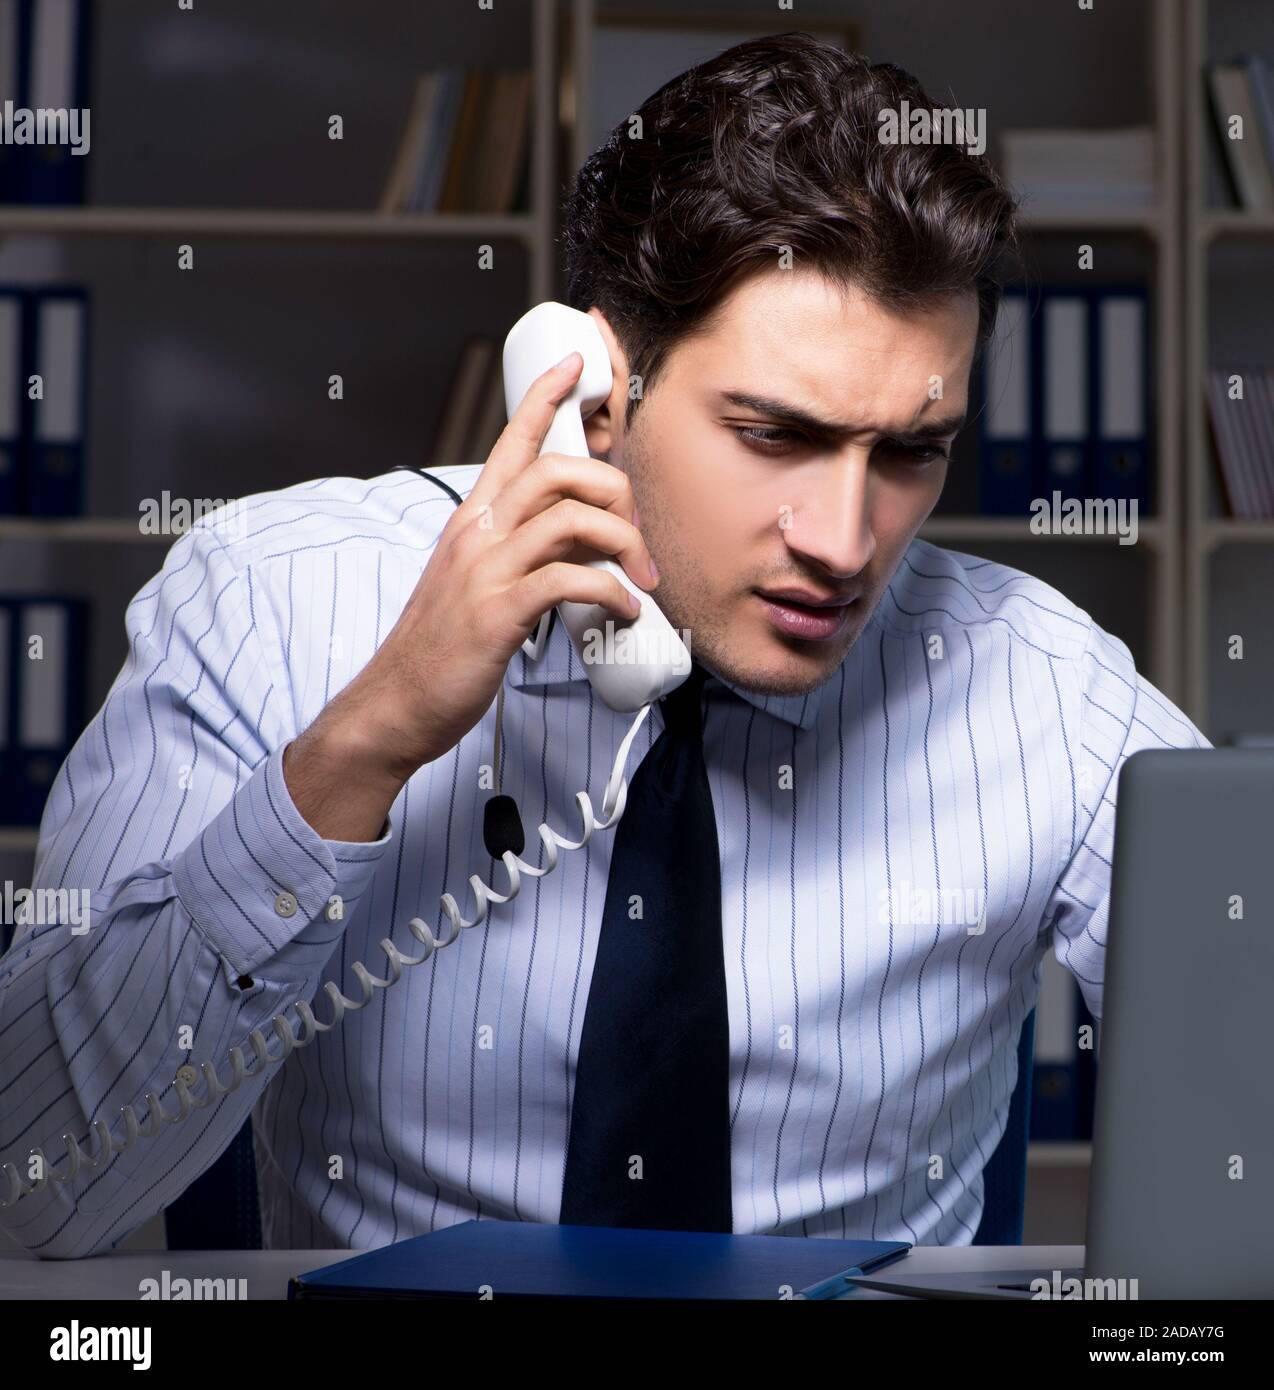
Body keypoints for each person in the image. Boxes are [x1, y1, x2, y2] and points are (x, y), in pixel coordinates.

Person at [0, 33, 1206, 1258]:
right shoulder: (270, 600)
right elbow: (32, 1190)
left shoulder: (1043, 692)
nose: (844, 542)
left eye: (909, 449)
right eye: (773, 435)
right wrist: (367, 743)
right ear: (594, 390)